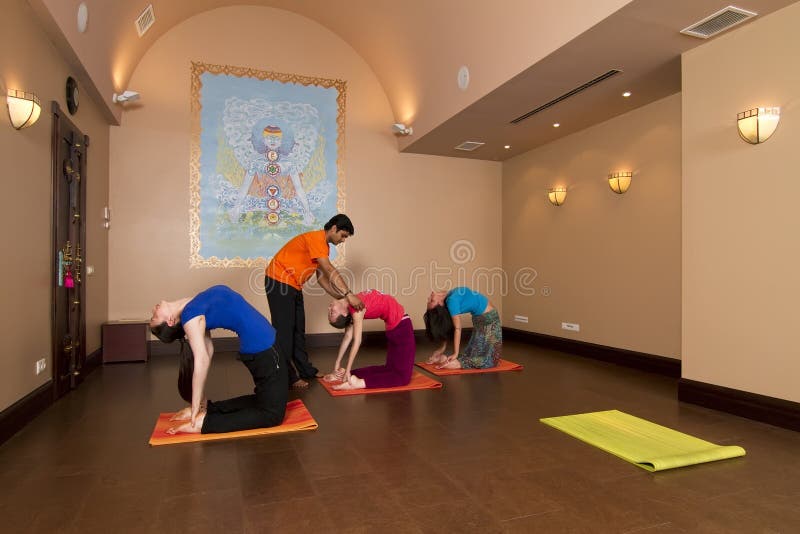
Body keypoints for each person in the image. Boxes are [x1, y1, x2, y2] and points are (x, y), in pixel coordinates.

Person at [149, 285, 288, 434]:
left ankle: (209, 411)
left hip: (263, 347)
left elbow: (208, 352)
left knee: (264, 401)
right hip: (264, 349)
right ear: (170, 321)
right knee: (273, 415)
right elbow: (202, 359)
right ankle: (204, 423)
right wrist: (196, 406)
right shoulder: (190, 316)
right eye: (154, 318)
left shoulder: (192, 306)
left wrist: (202, 405)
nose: (153, 311)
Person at [265, 214, 364, 389]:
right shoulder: (316, 239)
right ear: (334, 228)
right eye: (343, 235)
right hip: (278, 281)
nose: (343, 240)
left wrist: (340, 297)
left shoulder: (322, 247)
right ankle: (287, 376)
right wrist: (349, 295)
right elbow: (328, 269)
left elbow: (321, 278)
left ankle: (306, 370)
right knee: (285, 332)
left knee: (299, 329)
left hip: (293, 284)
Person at [325, 289, 415, 391]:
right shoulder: (356, 310)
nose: (329, 308)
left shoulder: (350, 300)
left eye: (330, 311)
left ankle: (345, 374)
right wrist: (344, 367)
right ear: (344, 314)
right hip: (402, 326)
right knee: (402, 378)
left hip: (395, 328)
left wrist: (340, 366)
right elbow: (354, 340)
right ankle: (359, 383)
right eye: (332, 312)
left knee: (389, 369)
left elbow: (348, 337)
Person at [423, 287, 502, 370]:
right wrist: (455, 353)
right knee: (492, 360)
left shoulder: (449, 298)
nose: (430, 297)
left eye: (429, 300)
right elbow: (457, 328)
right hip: (489, 319)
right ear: (440, 304)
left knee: (474, 355)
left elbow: (447, 327)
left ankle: (444, 359)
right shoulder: (452, 301)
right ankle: (457, 364)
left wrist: (442, 349)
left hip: (481, 320)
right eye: (432, 301)